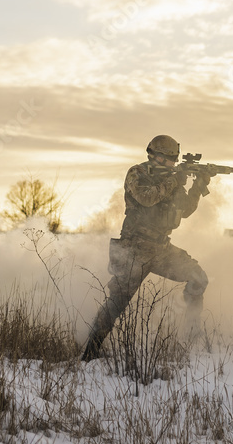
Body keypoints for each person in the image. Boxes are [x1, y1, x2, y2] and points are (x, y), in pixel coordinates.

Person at [81, 134, 210, 361]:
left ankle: (191, 337)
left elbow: (185, 210)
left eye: (175, 160)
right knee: (117, 303)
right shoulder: (137, 173)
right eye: (171, 160)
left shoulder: (172, 180)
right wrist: (175, 180)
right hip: (134, 248)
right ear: (158, 158)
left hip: (161, 249)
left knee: (198, 278)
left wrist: (198, 187)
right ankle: (89, 353)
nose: (174, 164)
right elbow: (146, 198)